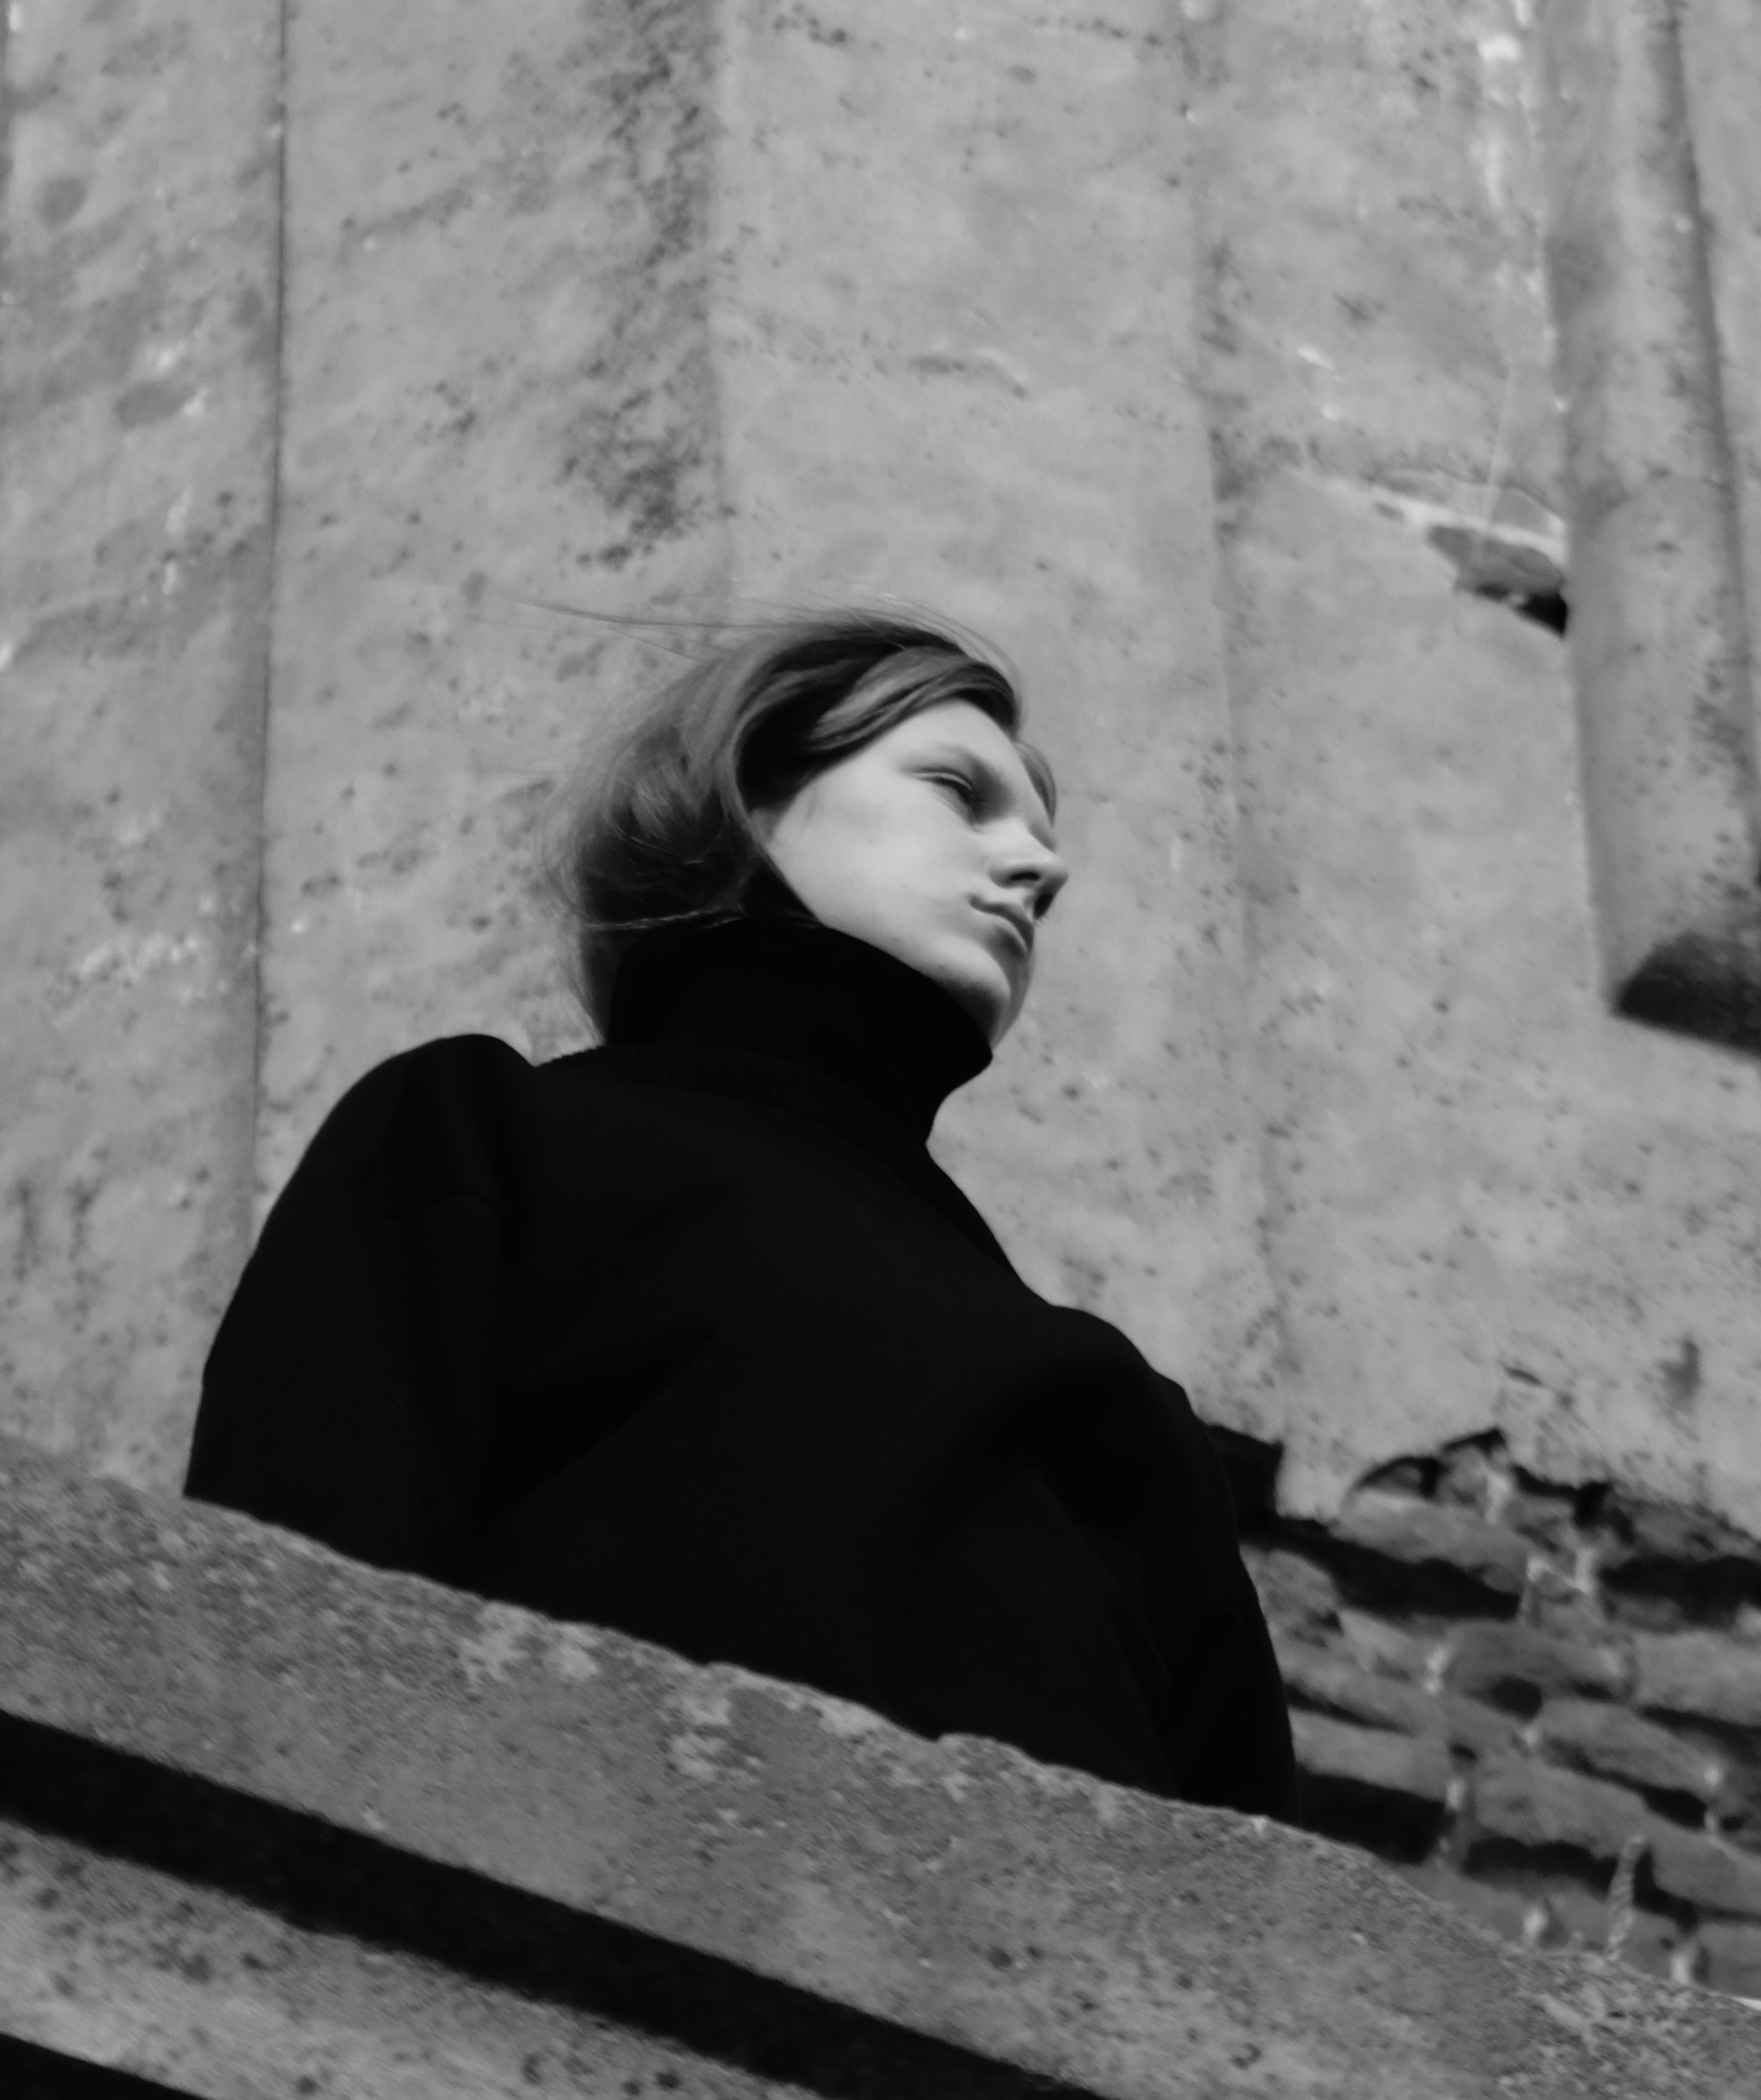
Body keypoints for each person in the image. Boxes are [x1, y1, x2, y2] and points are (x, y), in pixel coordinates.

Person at [184, 609, 1290, 1816]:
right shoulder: (485, 1137)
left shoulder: (1119, 1403)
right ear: (744, 796)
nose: (1042, 866)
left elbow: (1248, 1914)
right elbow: (286, 1643)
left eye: (1039, 827)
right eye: (960, 793)